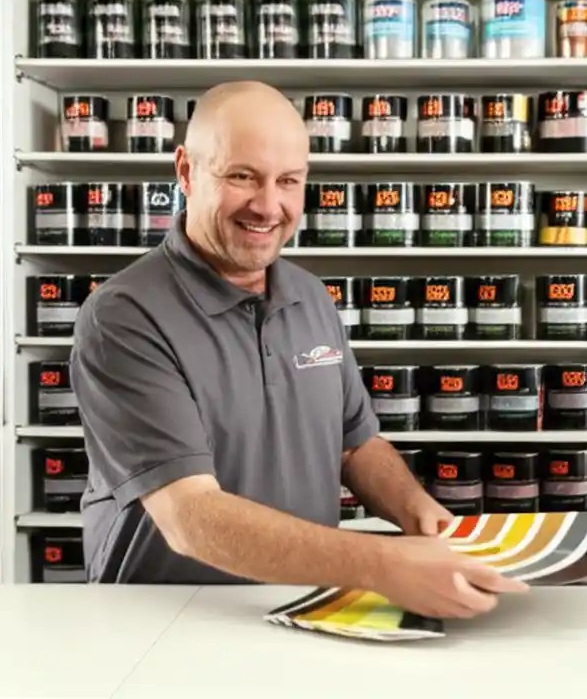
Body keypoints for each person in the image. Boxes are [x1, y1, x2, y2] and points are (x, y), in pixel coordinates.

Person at [69, 81, 527, 618]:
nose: (269, 206)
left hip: (307, 605)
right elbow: (189, 515)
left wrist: (420, 514)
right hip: (168, 618)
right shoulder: (125, 315)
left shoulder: (310, 297)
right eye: (242, 176)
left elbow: (354, 445)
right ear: (187, 172)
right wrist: (383, 564)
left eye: (288, 180)